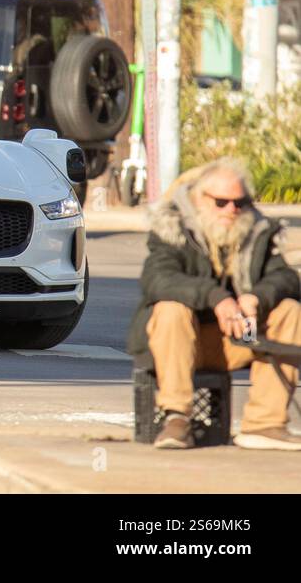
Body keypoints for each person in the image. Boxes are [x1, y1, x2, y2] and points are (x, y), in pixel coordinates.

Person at [128, 159, 301, 450]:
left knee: (289, 310)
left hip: (240, 340)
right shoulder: (173, 230)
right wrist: (216, 297)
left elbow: (285, 277)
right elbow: (157, 280)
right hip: (178, 344)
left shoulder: (257, 229)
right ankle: (177, 419)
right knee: (171, 308)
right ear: (199, 199)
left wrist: (256, 297)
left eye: (239, 202)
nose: (231, 210)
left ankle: (265, 424)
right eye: (221, 202)